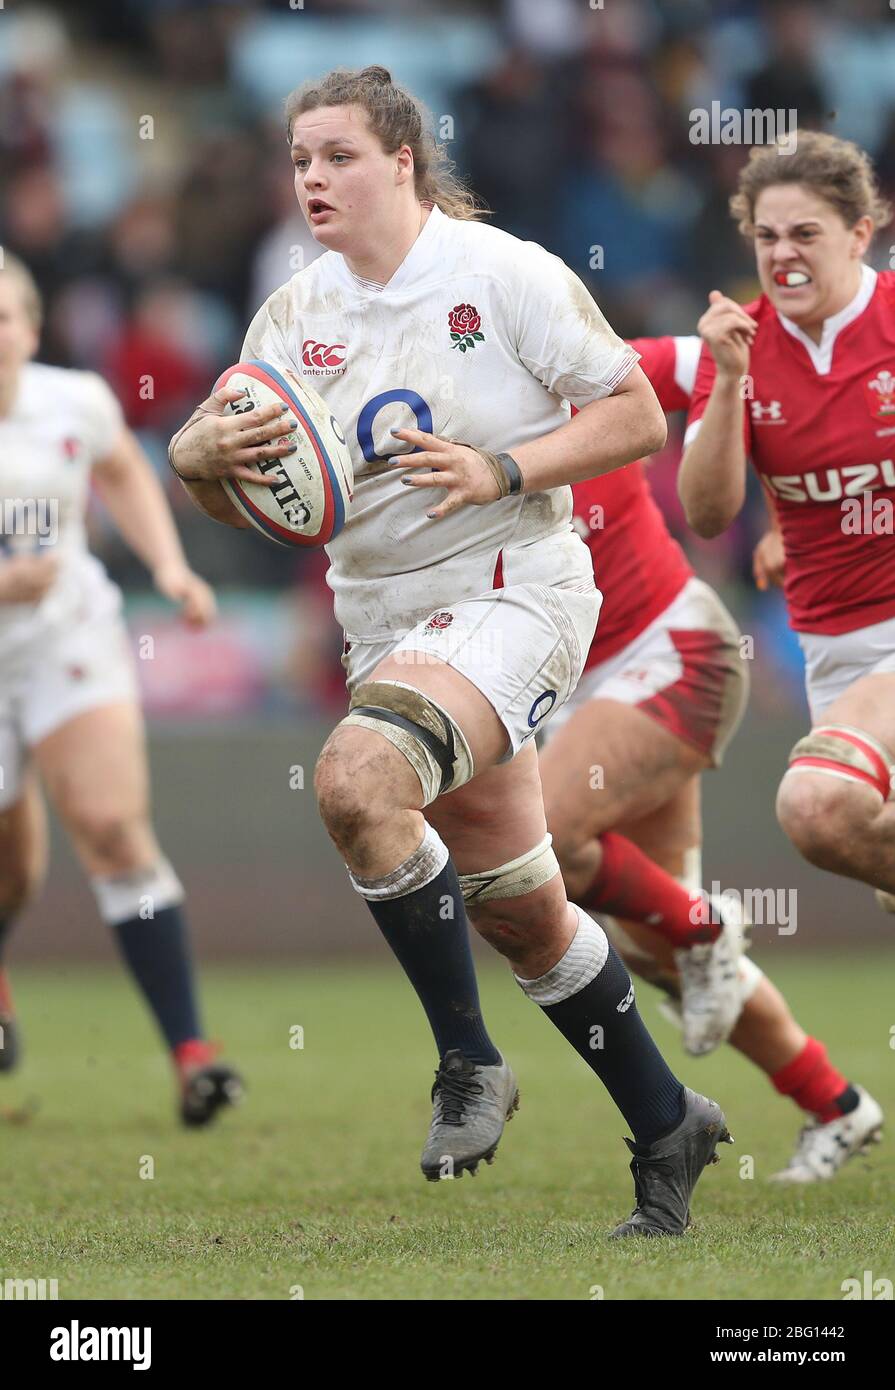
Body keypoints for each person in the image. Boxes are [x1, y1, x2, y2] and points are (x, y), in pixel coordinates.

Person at [169, 64, 732, 1236]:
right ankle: (666, 1117)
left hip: (514, 593)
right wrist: (199, 467)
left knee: (355, 780)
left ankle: (469, 1059)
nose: (312, 179)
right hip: (386, 625)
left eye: (336, 156)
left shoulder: (503, 273)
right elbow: (276, 506)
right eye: (299, 160)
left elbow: (634, 412)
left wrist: (503, 468)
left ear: (402, 162)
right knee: (520, 905)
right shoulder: (293, 315)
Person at [540, 332, 882, 1182]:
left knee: (546, 842)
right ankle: (834, 1103)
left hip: (672, 648)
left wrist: (783, 507)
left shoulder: (588, 360)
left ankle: (707, 928)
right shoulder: (430, 417)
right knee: (653, 948)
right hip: (583, 690)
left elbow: (737, 375)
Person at [0, 254, 242, 1126]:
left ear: (32, 327)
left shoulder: (76, 402)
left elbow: (123, 470)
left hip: (67, 638)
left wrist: (169, 567)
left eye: (6, 318)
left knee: (110, 827)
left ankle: (191, 1053)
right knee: (12, 872)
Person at [679, 131, 895, 931]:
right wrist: (730, 382)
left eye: (805, 233)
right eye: (766, 236)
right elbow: (706, 513)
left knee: (814, 800)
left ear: (859, 233)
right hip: (833, 650)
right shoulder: (735, 347)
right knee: (842, 827)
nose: (782, 254)